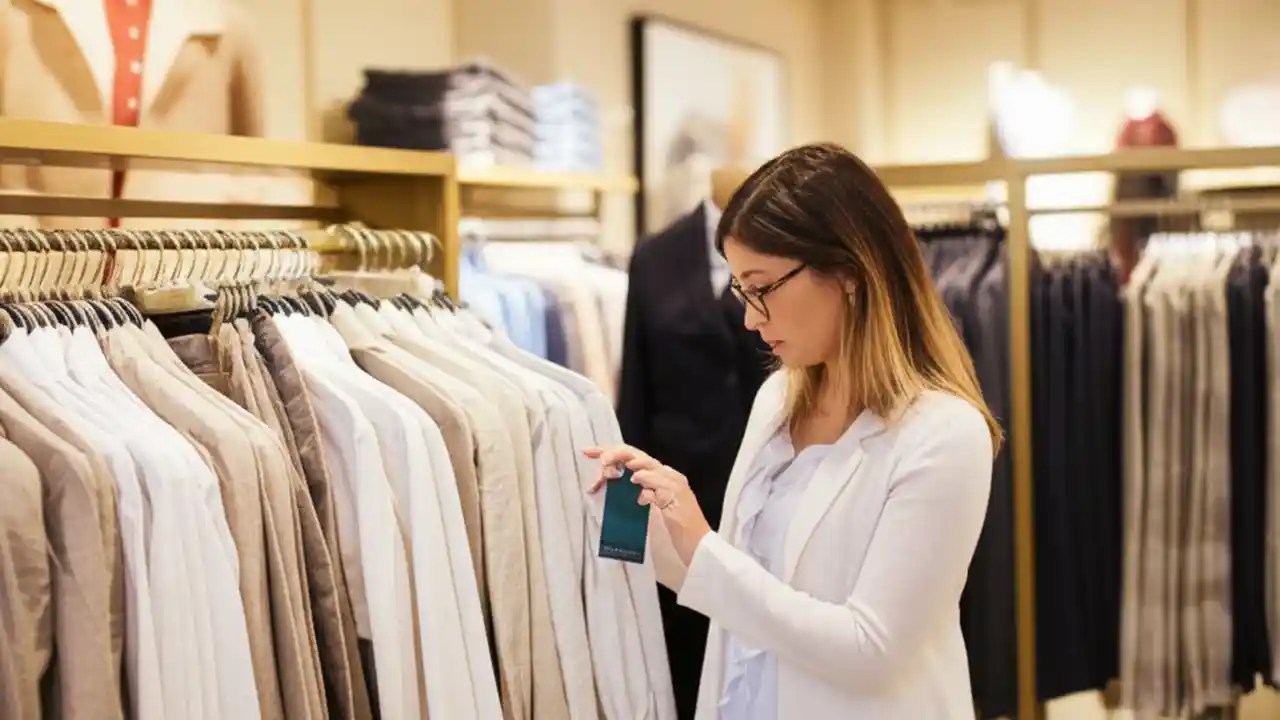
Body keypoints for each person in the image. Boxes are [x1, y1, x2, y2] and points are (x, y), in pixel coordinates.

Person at [586, 142, 1001, 719]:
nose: (751, 316)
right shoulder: (779, 396)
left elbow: (871, 649)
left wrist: (702, 543)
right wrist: (627, 517)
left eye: (761, 287)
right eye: (740, 290)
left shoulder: (945, 435)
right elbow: (723, 587)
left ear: (850, 272)